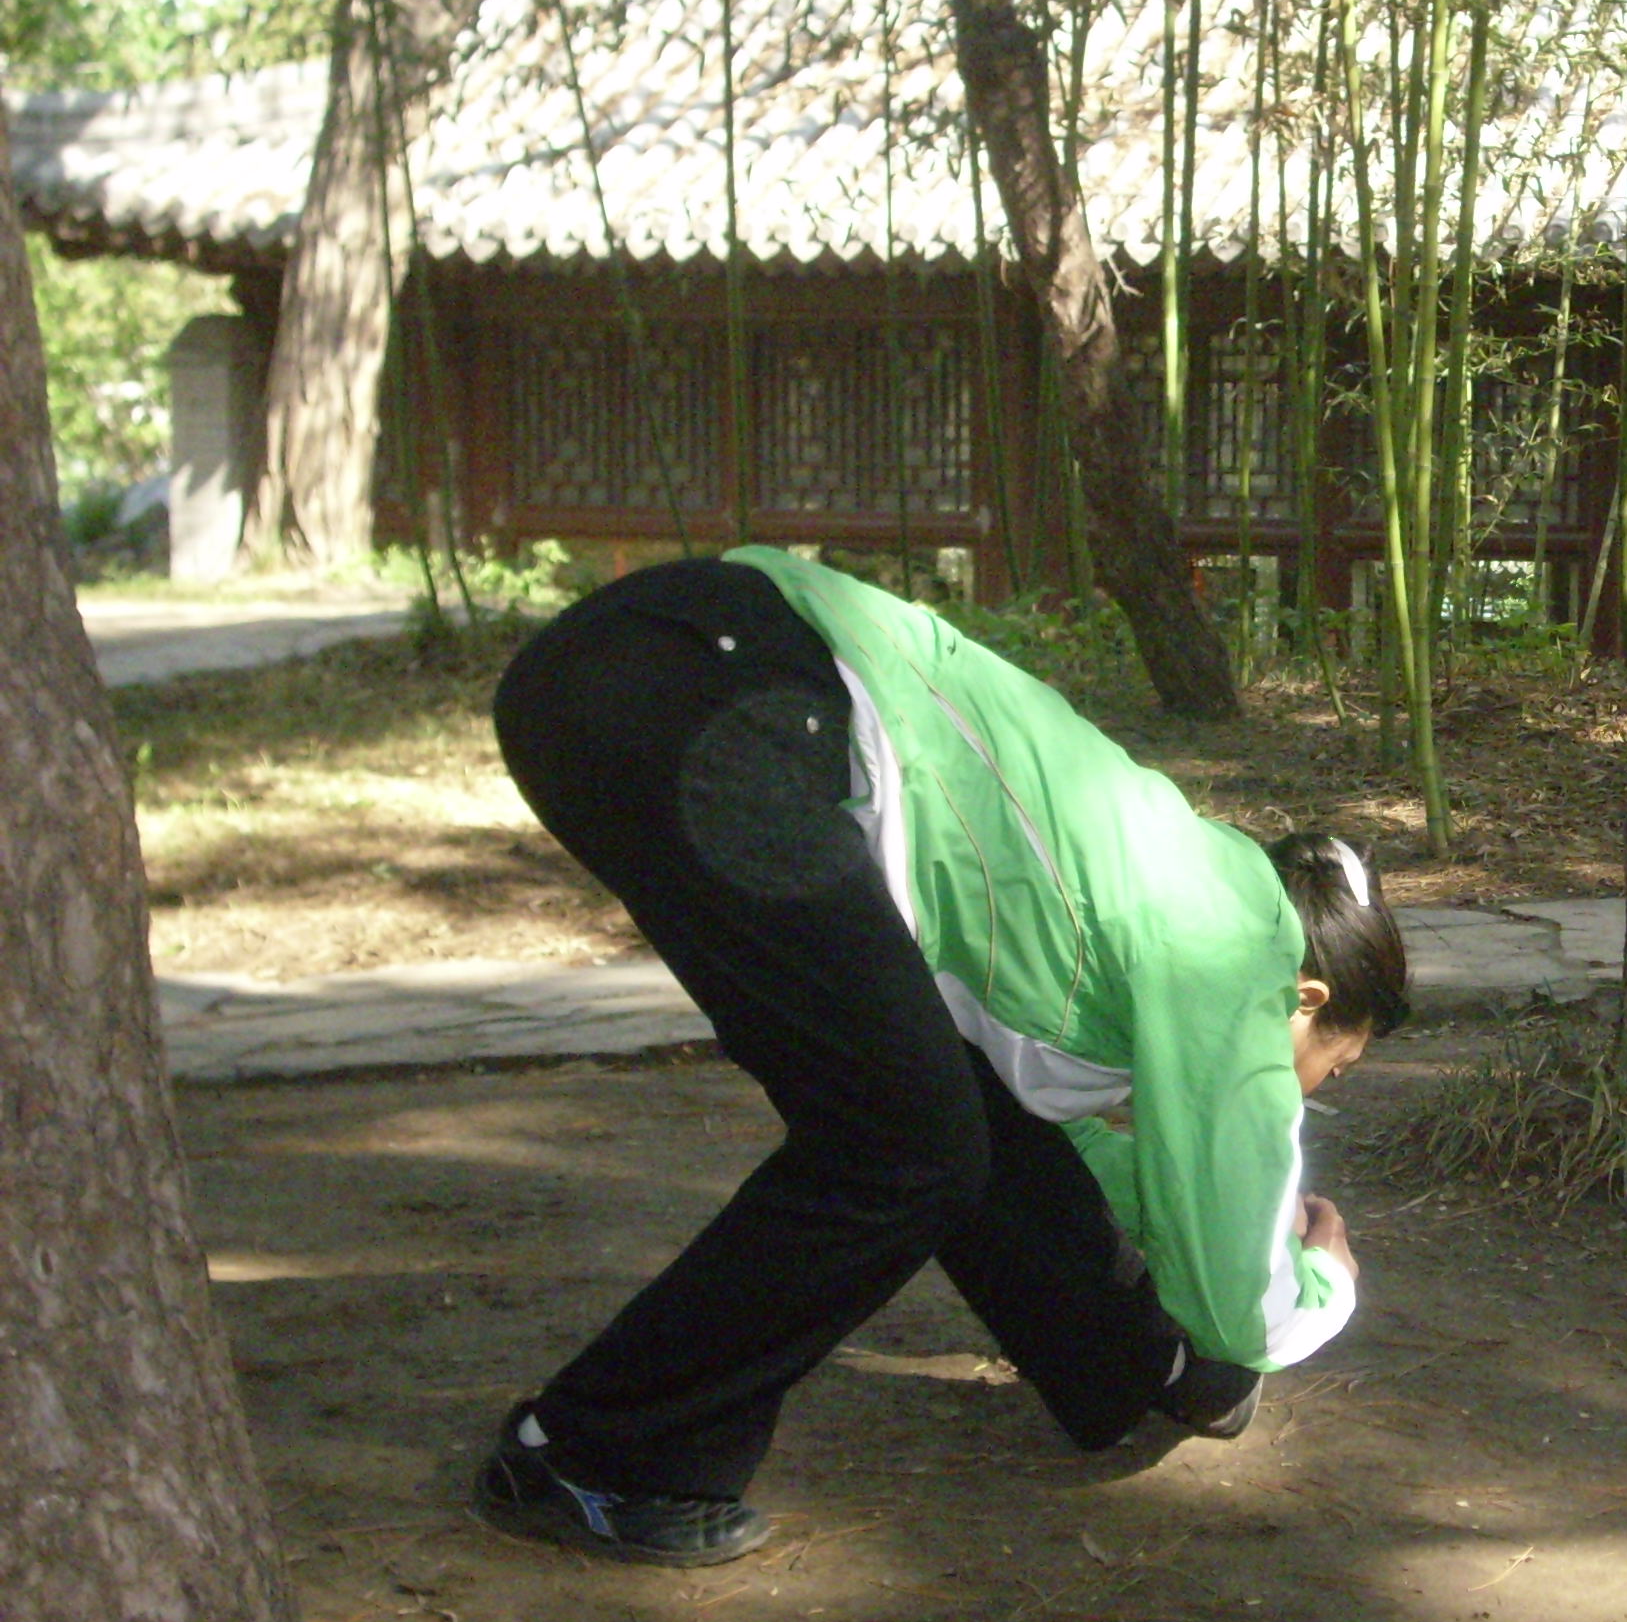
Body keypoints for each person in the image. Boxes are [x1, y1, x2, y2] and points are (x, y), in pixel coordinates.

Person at [470, 547, 1408, 1567]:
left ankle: (1132, 1371)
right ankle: (595, 1450)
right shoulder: (1236, 951)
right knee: (903, 1146)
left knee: (943, 1112)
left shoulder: (1156, 889)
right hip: (726, 686)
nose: (1306, 1093)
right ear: (1304, 1000)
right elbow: (1248, 1297)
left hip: (638, 670)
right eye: (1333, 1066)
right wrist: (1319, 1280)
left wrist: (1184, 1357)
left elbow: (1073, 1157)